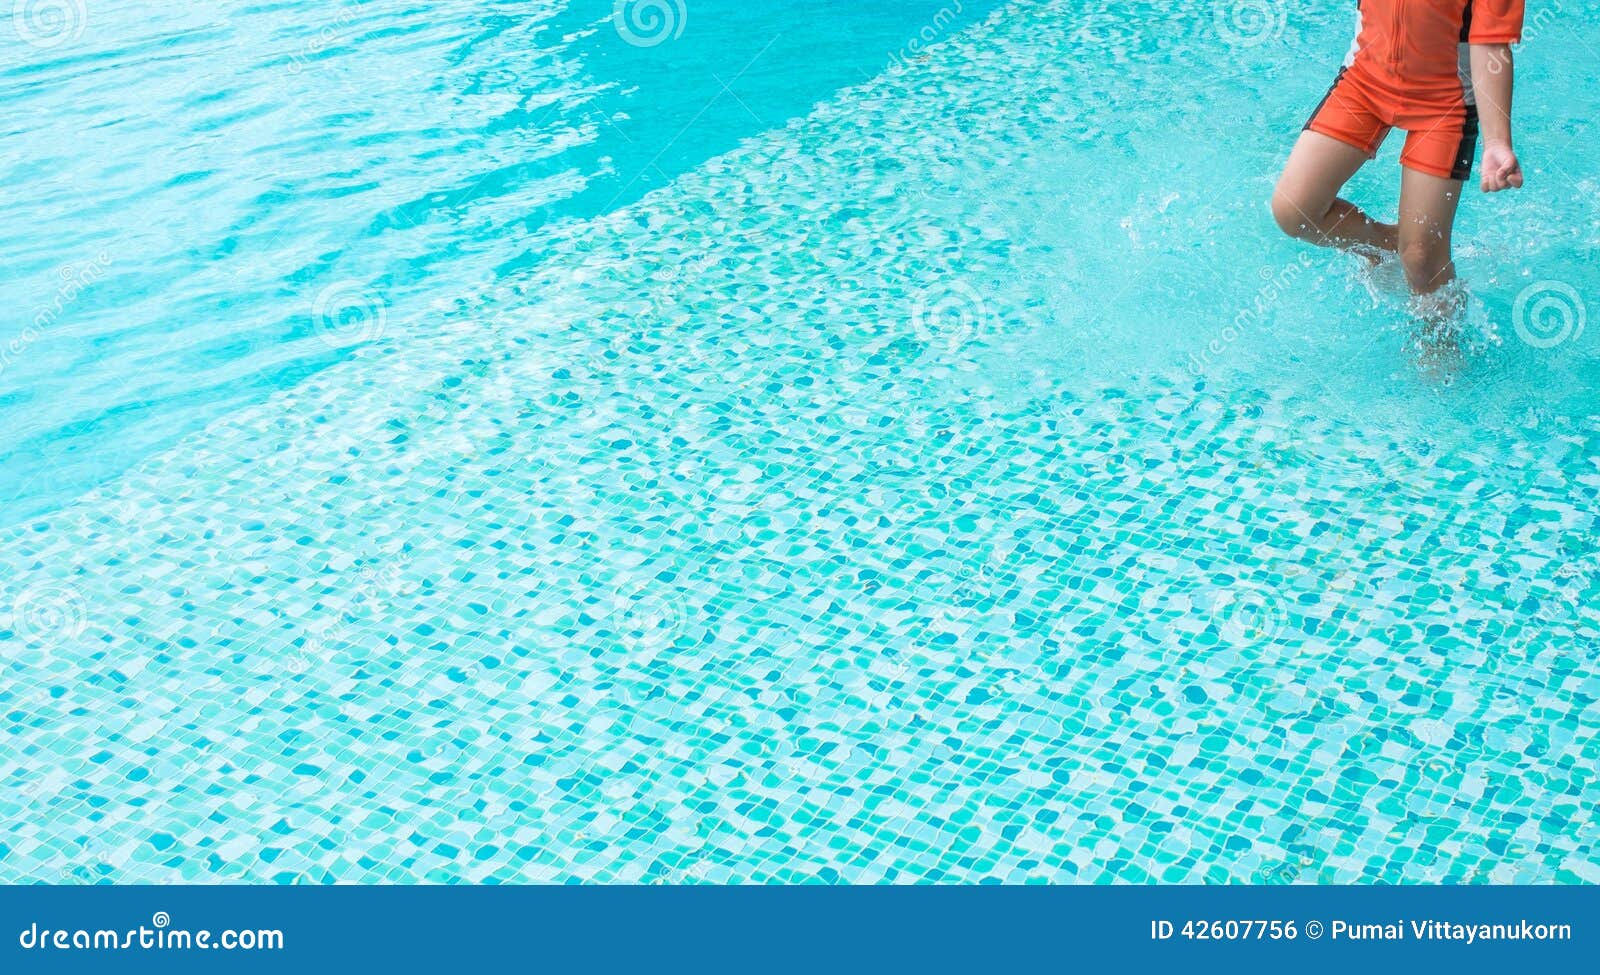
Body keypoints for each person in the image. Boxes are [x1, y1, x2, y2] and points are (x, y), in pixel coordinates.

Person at [1270, 0, 1525, 306]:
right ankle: (1388, 243)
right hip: (1364, 81)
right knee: (1295, 211)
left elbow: (1490, 44)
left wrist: (1497, 142)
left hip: (1446, 103)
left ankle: (1439, 343)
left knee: (1421, 259)